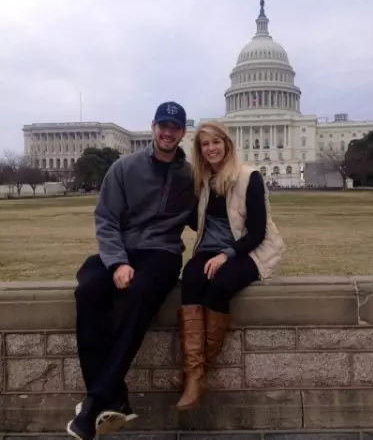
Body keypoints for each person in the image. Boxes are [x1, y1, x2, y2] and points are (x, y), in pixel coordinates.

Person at [66, 101, 196, 440]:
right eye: (163, 126)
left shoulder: (190, 177)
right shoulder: (124, 168)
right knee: (88, 292)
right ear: (153, 127)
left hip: (162, 253)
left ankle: (95, 401)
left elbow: (213, 216)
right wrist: (118, 261)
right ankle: (115, 396)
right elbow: (106, 219)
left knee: (137, 296)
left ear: (182, 133)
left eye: (174, 128)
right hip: (122, 250)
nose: (168, 133)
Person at [175, 121, 285, 411]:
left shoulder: (250, 177)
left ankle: (195, 374)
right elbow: (194, 219)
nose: (211, 148)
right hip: (208, 248)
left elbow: (258, 231)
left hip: (247, 249)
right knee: (191, 281)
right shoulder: (202, 178)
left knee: (220, 285)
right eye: (204, 144)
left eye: (216, 142)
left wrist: (226, 255)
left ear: (227, 143)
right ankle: (195, 372)